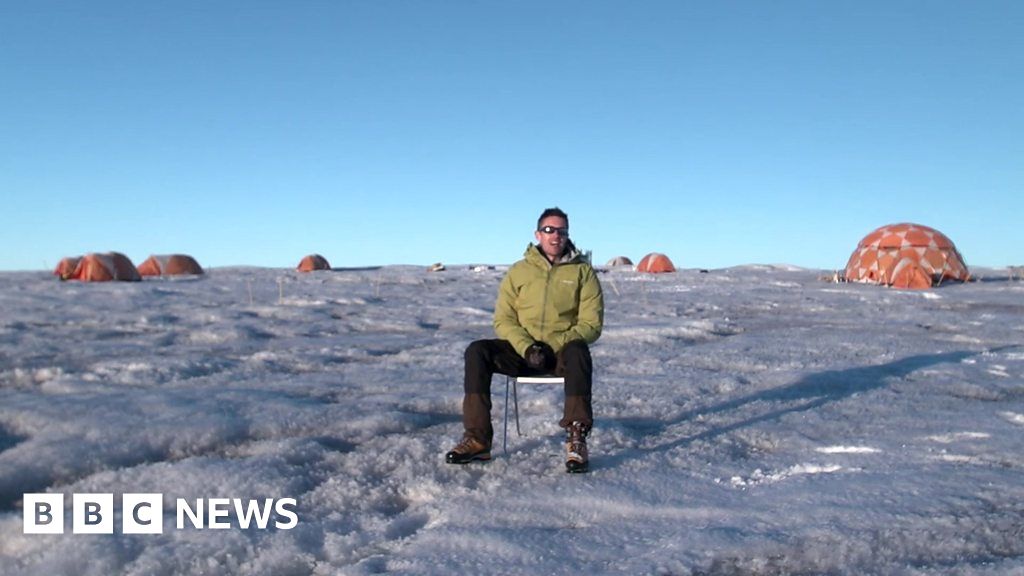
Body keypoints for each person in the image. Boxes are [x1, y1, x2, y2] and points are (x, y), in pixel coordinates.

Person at [445, 207, 604, 473]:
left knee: (578, 350)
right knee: (478, 351)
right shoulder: (519, 272)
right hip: (522, 352)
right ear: (538, 234)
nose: (556, 236)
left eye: (561, 231)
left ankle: (576, 439)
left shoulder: (582, 273)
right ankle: (477, 439)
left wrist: (551, 347)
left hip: (560, 354)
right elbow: (503, 320)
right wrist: (527, 347)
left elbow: (591, 325)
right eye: (549, 230)